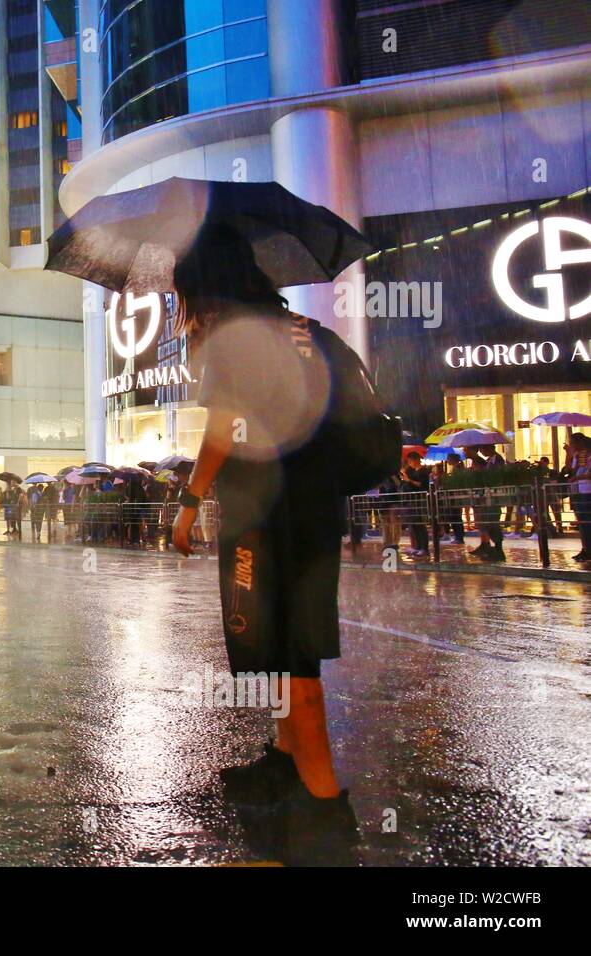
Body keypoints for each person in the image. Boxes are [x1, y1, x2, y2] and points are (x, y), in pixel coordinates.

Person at [169, 225, 356, 862]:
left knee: (292, 660)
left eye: (182, 291)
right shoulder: (297, 329)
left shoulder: (233, 339)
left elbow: (223, 431)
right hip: (311, 513)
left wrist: (189, 504)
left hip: (263, 519)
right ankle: (282, 762)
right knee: (282, 651)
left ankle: (326, 813)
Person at [566, 433, 591, 561]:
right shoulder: (579, 455)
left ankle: (588, 549)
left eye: (573, 443)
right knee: (582, 521)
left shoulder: (589, 455)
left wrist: (578, 477)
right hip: (578, 490)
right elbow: (573, 469)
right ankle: (585, 548)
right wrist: (568, 454)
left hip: (587, 490)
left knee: (586, 521)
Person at [401, 451, 431, 557]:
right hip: (411, 500)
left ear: (416, 460)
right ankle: (417, 546)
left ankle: (424, 548)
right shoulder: (411, 470)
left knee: (420, 525)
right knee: (414, 524)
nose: (409, 463)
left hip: (419, 500)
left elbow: (421, 484)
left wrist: (409, 480)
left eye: (411, 460)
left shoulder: (424, 471)